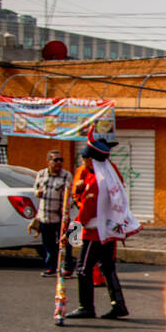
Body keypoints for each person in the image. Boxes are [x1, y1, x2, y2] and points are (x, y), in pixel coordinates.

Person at [66, 134, 141, 319]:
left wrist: (69, 234)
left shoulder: (95, 182)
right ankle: (119, 305)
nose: (83, 162)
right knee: (107, 268)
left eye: (85, 159)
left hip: (95, 232)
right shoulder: (109, 175)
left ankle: (86, 307)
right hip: (109, 229)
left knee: (83, 269)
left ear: (91, 160)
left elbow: (86, 212)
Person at [34, 150, 74, 277]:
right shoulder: (41, 174)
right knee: (48, 244)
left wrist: (66, 209)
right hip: (45, 216)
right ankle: (51, 267)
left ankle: (67, 268)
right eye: (55, 160)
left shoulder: (66, 176)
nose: (59, 163)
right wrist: (37, 192)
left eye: (60, 160)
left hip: (60, 216)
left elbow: (70, 196)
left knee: (65, 243)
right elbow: (35, 188)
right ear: (48, 161)